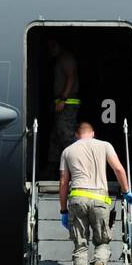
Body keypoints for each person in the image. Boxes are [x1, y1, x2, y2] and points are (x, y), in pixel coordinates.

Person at [59, 121, 132, 265]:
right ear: (93, 133)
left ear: (77, 135)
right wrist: (126, 191)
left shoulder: (67, 151)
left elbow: (63, 182)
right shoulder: (105, 145)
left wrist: (63, 210)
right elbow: (119, 169)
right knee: (102, 242)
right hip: (100, 199)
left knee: (80, 245)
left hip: (77, 199)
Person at [46, 37, 80, 171]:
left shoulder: (66, 58)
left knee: (66, 136)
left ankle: (75, 169)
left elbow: (71, 77)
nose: (51, 49)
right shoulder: (59, 60)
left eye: (53, 45)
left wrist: (63, 99)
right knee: (55, 137)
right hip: (60, 104)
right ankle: (51, 169)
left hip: (67, 103)